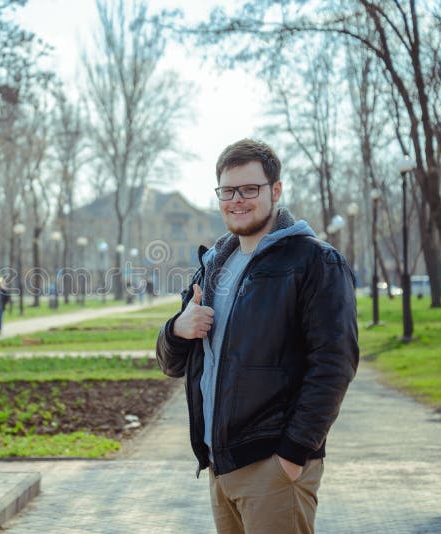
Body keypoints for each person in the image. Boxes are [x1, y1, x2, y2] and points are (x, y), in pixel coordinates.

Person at [155, 139, 358, 533]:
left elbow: (334, 364)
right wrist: (177, 329)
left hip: (273, 468)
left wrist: (292, 455)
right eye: (228, 191)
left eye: (250, 189)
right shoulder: (212, 267)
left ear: (275, 191)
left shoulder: (314, 260)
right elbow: (171, 363)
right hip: (220, 467)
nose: (238, 200)